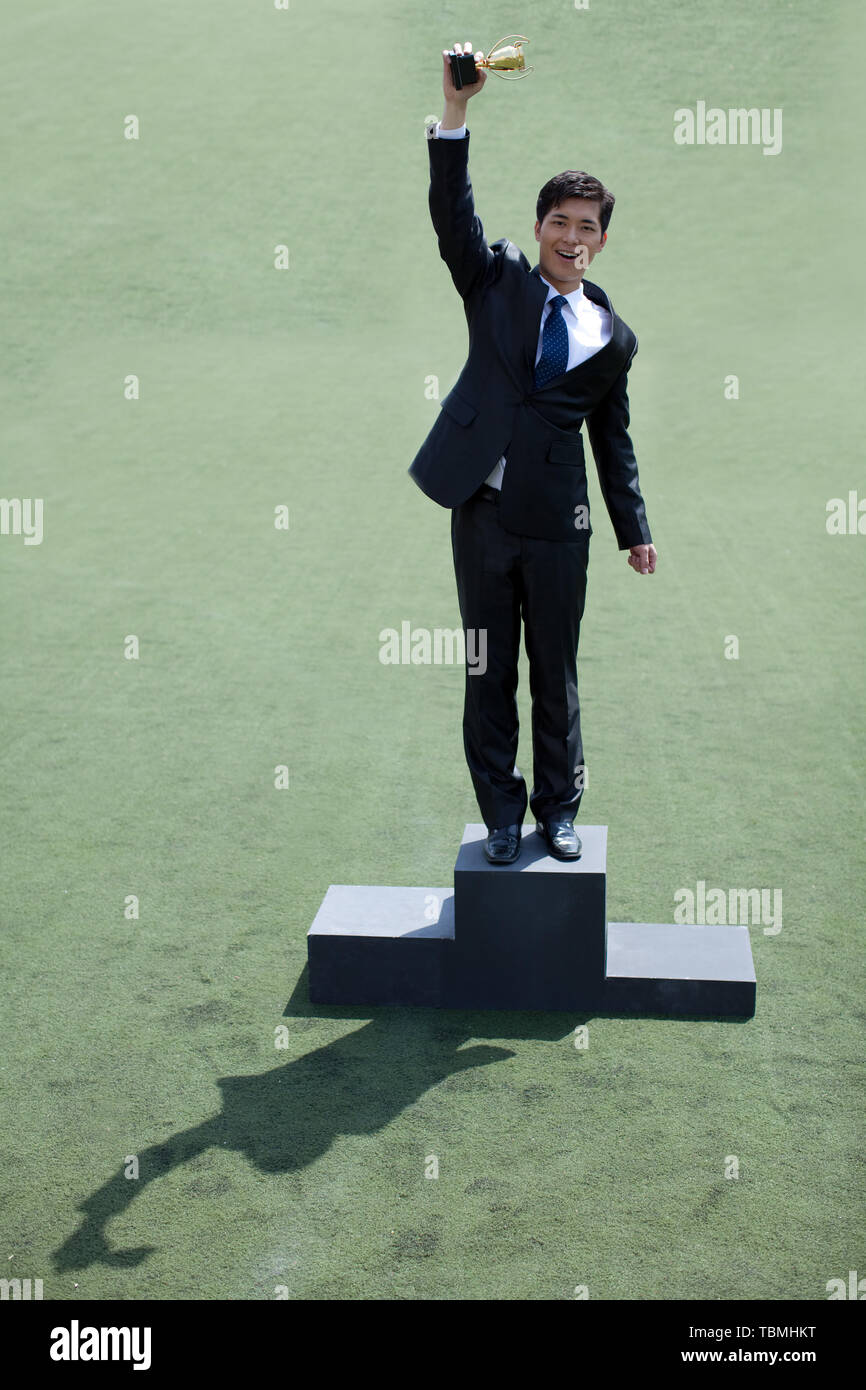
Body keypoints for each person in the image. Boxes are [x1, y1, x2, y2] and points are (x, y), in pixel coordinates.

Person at [409, 42, 657, 865]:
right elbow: (454, 222)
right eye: (560, 222)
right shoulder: (497, 280)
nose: (572, 237)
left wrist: (633, 528)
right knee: (489, 674)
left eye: (588, 228)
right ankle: (503, 819)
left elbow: (611, 436)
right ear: (541, 225)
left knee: (556, 674)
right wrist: (457, 113)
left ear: (602, 242)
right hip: (480, 514)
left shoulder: (611, 337)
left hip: (560, 523)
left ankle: (559, 812)